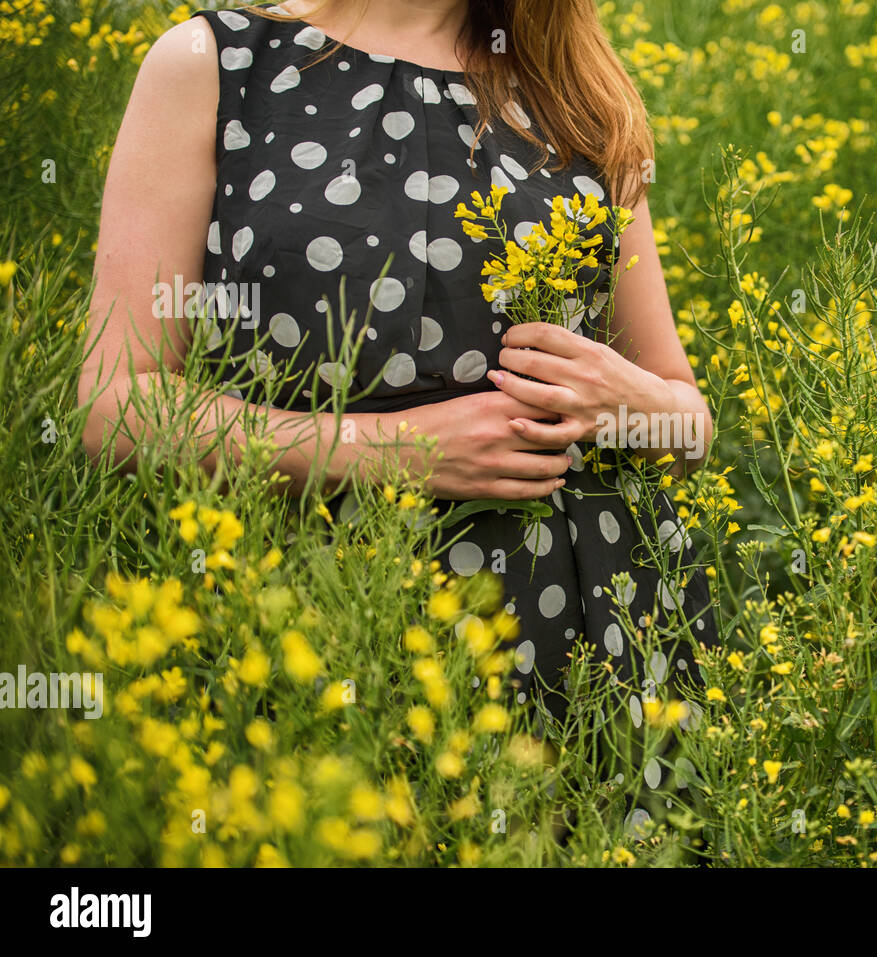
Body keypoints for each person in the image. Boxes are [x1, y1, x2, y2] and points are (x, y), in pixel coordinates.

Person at [78, 0, 720, 844]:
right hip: (315, 623)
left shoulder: (575, 93)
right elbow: (113, 403)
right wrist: (394, 451)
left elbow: (690, 423)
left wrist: (632, 405)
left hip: (593, 638)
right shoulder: (217, 64)